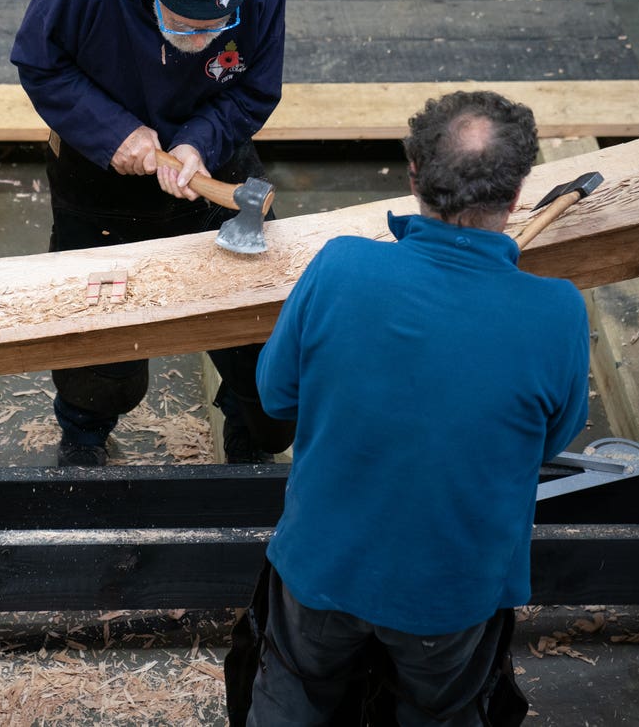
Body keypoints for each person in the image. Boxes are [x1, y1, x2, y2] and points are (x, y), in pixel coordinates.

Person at [240, 91, 590, 725]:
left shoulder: (341, 266)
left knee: (292, 698)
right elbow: (548, 444)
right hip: (453, 593)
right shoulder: (558, 311)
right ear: (515, 199)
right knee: (441, 711)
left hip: (324, 570)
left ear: (412, 176)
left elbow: (274, 395)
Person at [11, 0, 294, 466]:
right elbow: (39, 65)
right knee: (96, 329)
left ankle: (252, 433)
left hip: (212, 167)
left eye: (217, 28)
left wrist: (197, 144)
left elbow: (255, 90)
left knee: (261, 324)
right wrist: (113, 130)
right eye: (188, 26)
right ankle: (86, 432)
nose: (205, 40)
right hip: (98, 174)